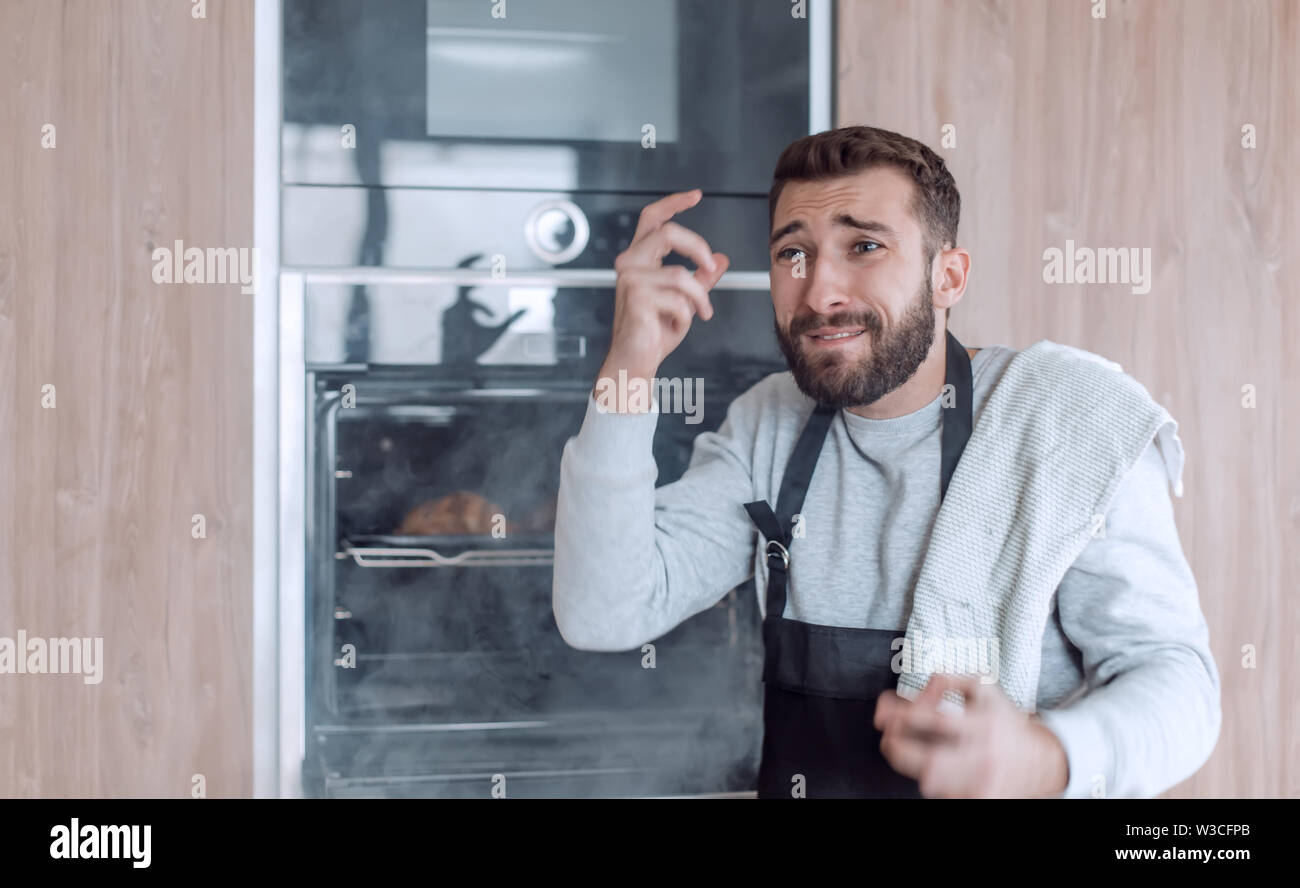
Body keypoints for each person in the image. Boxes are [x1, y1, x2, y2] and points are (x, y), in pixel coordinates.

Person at [551, 125, 1220, 799]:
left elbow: (1178, 682)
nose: (819, 293)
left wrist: (1048, 757)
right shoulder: (766, 423)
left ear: (947, 276)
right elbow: (604, 612)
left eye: (864, 246)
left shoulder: (1067, 421)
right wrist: (629, 364)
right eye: (793, 254)